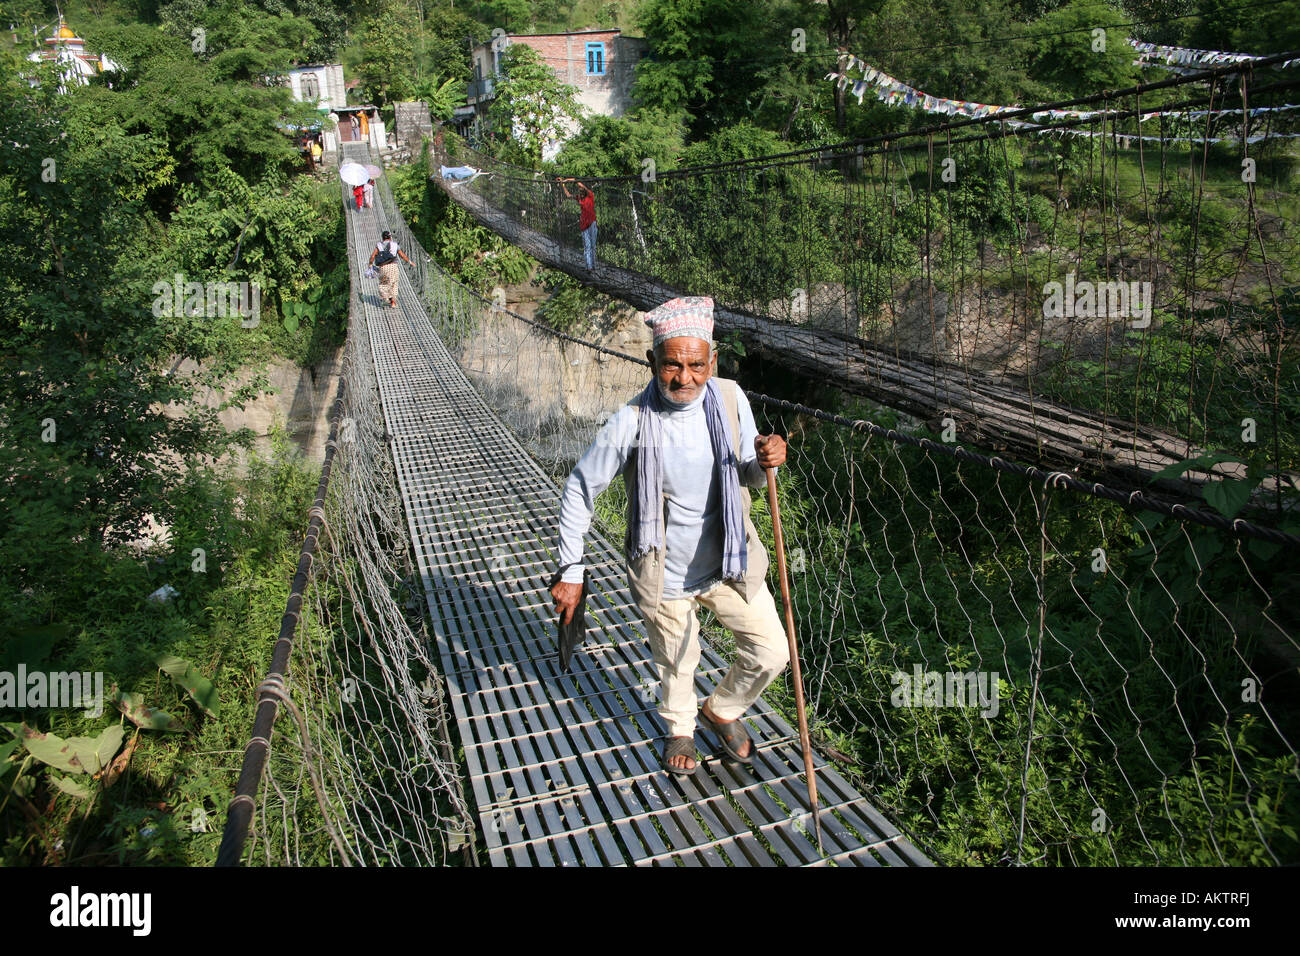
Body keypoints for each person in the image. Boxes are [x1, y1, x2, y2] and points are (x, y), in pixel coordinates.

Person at [550, 296, 790, 776]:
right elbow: (580, 487)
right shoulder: (632, 421)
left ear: (712, 361)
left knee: (772, 653)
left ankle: (721, 709)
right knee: (678, 661)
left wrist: (767, 462)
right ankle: (679, 726)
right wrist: (572, 569)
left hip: (730, 562)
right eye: (671, 365)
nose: (684, 378)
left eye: (696, 365)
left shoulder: (729, 399)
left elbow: (747, 475)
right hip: (665, 570)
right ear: (651, 362)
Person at [366, 229, 414, 308]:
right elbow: (402, 255)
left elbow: (372, 256)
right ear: (390, 237)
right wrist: (410, 262)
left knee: (384, 283)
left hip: (383, 268)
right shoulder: (395, 245)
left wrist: (370, 264)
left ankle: (386, 298)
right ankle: (393, 303)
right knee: (394, 283)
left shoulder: (378, 246)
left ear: (383, 238)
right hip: (393, 267)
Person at [560, 178, 597, 271]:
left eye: (581, 193)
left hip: (592, 223)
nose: (580, 195)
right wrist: (563, 184)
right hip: (584, 225)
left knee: (593, 246)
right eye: (580, 194)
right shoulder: (580, 198)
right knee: (587, 247)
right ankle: (589, 267)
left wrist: (569, 179)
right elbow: (568, 195)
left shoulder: (590, 196)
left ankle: (593, 265)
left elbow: (580, 184)